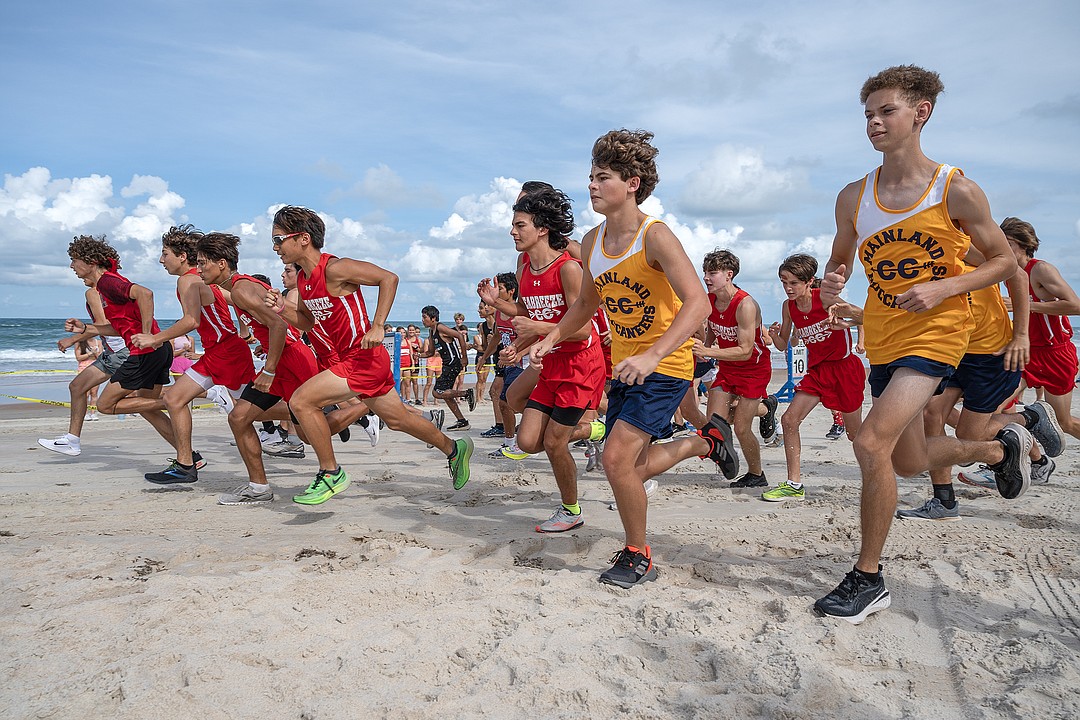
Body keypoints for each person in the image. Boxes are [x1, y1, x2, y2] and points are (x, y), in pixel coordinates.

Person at [814, 65, 1034, 624]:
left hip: (939, 332)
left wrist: (947, 284)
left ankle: (868, 577)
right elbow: (839, 257)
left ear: (921, 113)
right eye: (868, 114)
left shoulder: (954, 188)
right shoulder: (853, 196)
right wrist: (833, 279)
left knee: (868, 444)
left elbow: (1006, 262)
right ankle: (996, 451)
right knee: (907, 462)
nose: (874, 123)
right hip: (882, 336)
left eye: (886, 111)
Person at [529, 129, 738, 588]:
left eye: (602, 177)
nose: (591, 186)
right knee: (632, 468)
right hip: (626, 368)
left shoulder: (655, 236)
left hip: (665, 365)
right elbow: (585, 304)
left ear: (632, 183)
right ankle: (707, 442)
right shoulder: (592, 240)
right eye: (590, 177)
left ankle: (637, 553)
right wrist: (552, 337)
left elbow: (698, 303)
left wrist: (654, 353)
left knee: (616, 459)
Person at [265, 206, 472, 505]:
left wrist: (377, 326)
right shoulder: (304, 282)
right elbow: (309, 323)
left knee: (300, 401)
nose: (275, 247)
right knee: (399, 419)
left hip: (361, 358)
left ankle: (331, 472)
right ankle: (455, 449)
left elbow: (389, 278)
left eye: (279, 239)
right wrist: (282, 309)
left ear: (303, 238)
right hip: (351, 360)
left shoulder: (336, 268)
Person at [896, 247, 1062, 519]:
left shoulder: (966, 246)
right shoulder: (912, 253)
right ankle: (944, 502)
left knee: (968, 440)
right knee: (931, 413)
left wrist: (1021, 335)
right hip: (951, 350)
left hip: (990, 354)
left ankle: (1030, 417)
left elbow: (1019, 277)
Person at [478, 186, 607, 533]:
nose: (512, 231)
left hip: (580, 364)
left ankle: (570, 510)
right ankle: (595, 428)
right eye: (513, 225)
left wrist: (535, 327)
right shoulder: (523, 265)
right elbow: (526, 312)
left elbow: (582, 330)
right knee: (527, 442)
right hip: (550, 363)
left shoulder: (568, 269)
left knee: (553, 442)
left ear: (542, 229)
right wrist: (503, 313)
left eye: (520, 225)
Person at [129, 226, 256, 484]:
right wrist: (245, 327)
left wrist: (155, 338)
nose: (161, 260)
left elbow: (191, 321)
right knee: (175, 399)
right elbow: (238, 301)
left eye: (165, 254)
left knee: (256, 411)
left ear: (182, 256)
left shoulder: (187, 280)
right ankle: (186, 464)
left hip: (228, 353)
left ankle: (304, 410)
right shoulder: (202, 280)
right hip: (220, 352)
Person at [54, 235, 181, 460]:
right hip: (155, 350)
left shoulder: (107, 282)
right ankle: (189, 457)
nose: (71, 266)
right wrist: (86, 328)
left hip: (144, 351)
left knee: (104, 404)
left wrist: (147, 334)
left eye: (74, 260)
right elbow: (117, 328)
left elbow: (146, 294)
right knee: (147, 408)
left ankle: (185, 397)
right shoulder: (105, 286)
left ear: (90, 261)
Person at [764, 253, 865, 501]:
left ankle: (874, 474)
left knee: (855, 435)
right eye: (783, 282)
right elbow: (781, 344)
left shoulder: (826, 298)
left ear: (809, 281)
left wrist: (853, 330)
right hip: (818, 371)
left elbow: (862, 317)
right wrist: (772, 334)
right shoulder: (788, 307)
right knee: (789, 420)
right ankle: (794, 484)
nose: (788, 288)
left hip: (844, 369)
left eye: (793, 283)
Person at [694, 249, 777, 489]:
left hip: (754, 368)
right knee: (715, 423)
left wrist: (707, 352)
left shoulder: (745, 305)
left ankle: (756, 474)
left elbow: (745, 350)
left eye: (713, 273)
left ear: (729, 275)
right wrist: (707, 344)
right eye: (705, 273)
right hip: (728, 367)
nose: (707, 278)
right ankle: (765, 408)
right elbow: (712, 327)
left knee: (741, 427)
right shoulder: (710, 299)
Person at [1002, 216, 1080, 443]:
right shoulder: (1009, 274)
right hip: (1027, 352)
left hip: (1056, 353)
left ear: (1024, 244)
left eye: (1008, 242)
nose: (1003, 247)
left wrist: (1025, 304)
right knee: (997, 408)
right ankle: (1014, 460)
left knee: (1063, 423)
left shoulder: (1041, 270)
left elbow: (1075, 305)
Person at [40, 278, 133, 456]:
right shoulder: (117, 286)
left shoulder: (94, 292)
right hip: (117, 351)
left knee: (150, 404)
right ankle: (72, 440)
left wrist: (74, 338)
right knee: (77, 386)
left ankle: (191, 394)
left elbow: (104, 326)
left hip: (119, 352)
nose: (73, 267)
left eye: (76, 261)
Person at [418, 305, 476, 430]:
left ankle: (466, 393)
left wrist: (464, 357)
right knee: (446, 394)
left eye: (424, 317)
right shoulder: (431, 331)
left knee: (437, 392)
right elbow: (430, 353)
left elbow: (459, 336)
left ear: (433, 318)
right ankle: (462, 421)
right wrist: (418, 355)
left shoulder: (440, 327)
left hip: (453, 363)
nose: (422, 320)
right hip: (447, 364)